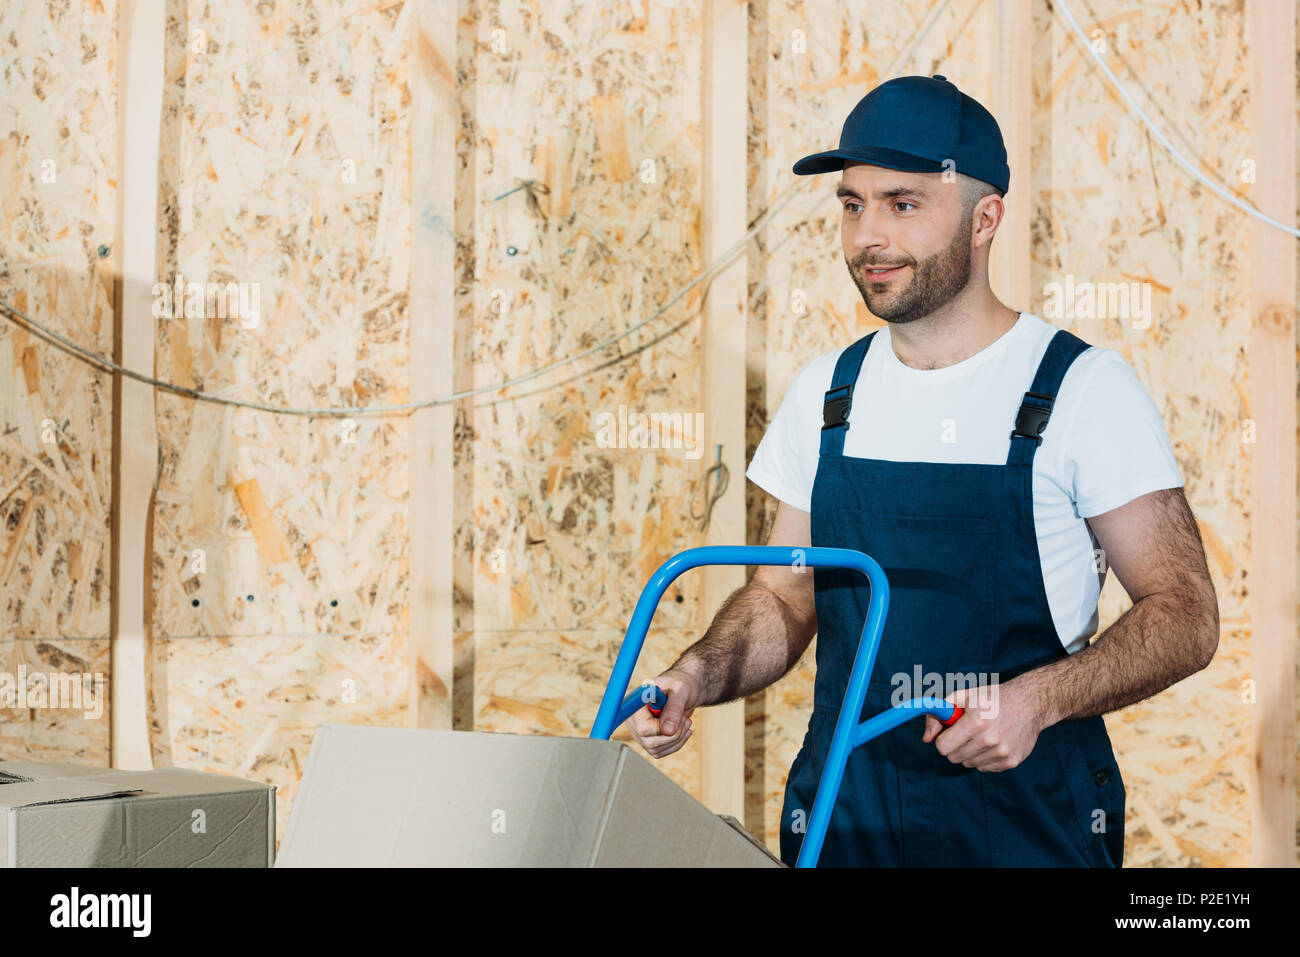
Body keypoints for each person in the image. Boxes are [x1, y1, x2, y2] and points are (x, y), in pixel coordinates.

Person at [626, 75, 1219, 867]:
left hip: (1026, 826)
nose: (868, 235)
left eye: (902, 204)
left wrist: (1034, 702)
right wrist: (694, 674)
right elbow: (783, 596)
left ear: (985, 218)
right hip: (848, 817)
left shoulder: (1081, 390)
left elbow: (1186, 613)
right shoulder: (828, 395)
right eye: (852, 204)